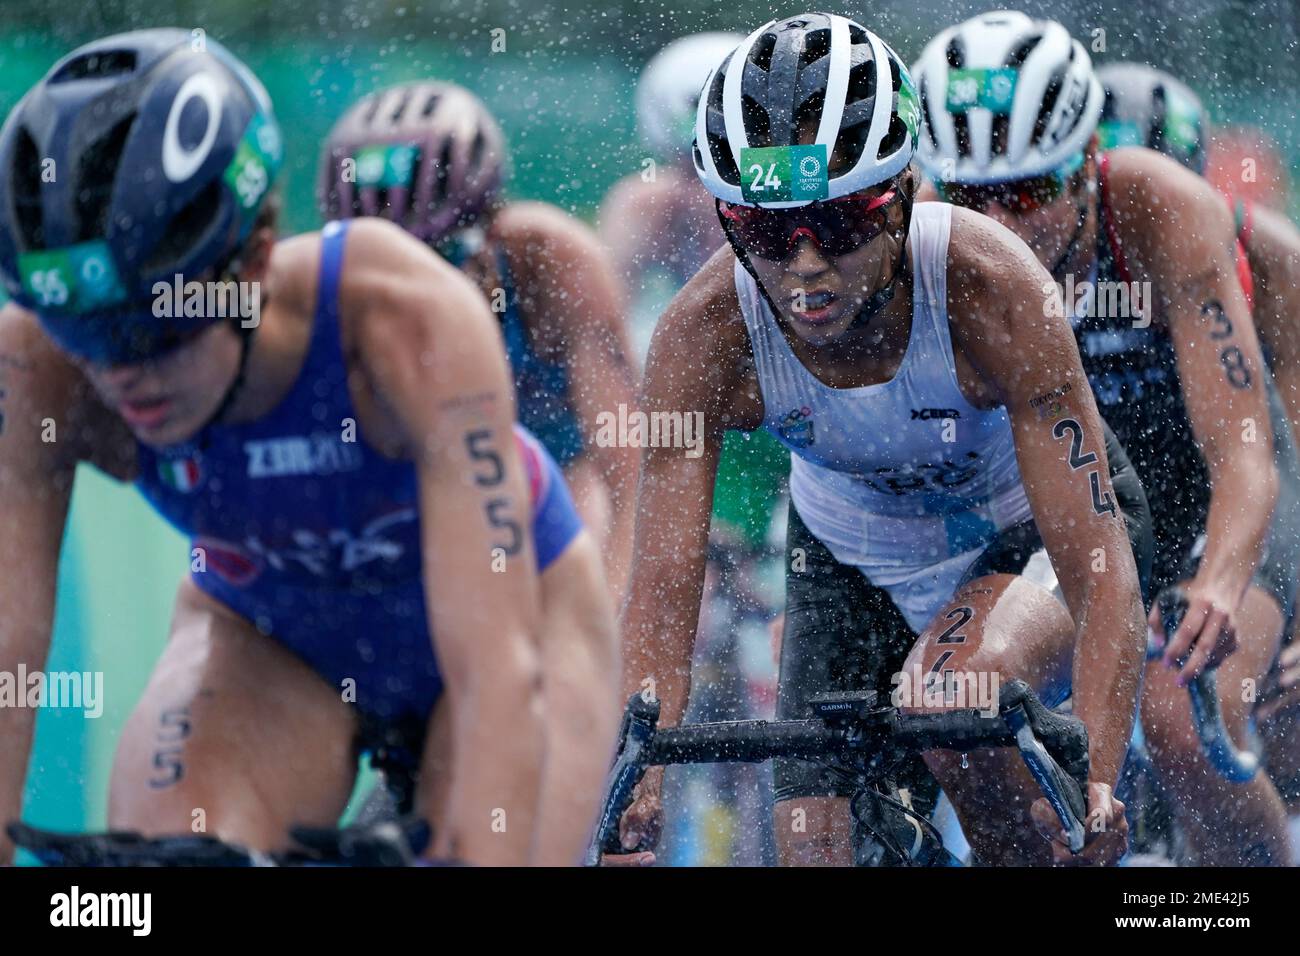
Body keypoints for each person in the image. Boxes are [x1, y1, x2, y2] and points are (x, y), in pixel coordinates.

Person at [0, 29, 618, 867]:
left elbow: (495, 671)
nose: (121, 370)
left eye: (155, 325)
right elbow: (8, 652)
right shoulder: (40, 358)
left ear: (254, 255)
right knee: (164, 865)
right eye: (86, 332)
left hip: (512, 617)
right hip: (274, 635)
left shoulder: (402, 312)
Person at [613, 13, 1151, 867]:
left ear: (901, 193)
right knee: (812, 849)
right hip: (849, 558)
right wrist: (636, 780)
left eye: (835, 224)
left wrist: (1100, 775)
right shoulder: (701, 337)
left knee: (952, 702)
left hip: (1023, 538)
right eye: (763, 232)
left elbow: (1096, 562)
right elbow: (663, 580)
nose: (804, 267)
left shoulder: (993, 285)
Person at [913, 10, 1300, 865]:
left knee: (1180, 724)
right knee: (956, 704)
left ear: (1088, 163)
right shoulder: (936, 238)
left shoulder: (1161, 205)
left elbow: (1243, 449)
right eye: (974, 196)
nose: (1001, 224)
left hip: (1212, 503)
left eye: (1028, 192)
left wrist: (1224, 584)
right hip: (1083, 513)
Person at [318, 81, 639, 600]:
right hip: (436, 499)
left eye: (442, 257)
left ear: (490, 225)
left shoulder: (548, 260)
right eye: (388, 269)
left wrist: (609, 646)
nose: (421, 289)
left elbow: (630, 481)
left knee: (585, 524)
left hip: (571, 485)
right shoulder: (326, 294)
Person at [600, 31, 790, 865]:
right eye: (683, 169)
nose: (700, 196)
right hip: (691, 438)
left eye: (716, 173)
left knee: (777, 658)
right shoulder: (642, 207)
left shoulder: (779, 215)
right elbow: (606, 356)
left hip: (782, 445)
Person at [1097, 60, 1300, 814]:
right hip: (1140, 501)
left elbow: (1284, 456)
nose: (1139, 232)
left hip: (1247, 494)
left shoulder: (1270, 257)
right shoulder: (1054, 247)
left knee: (1240, 712)